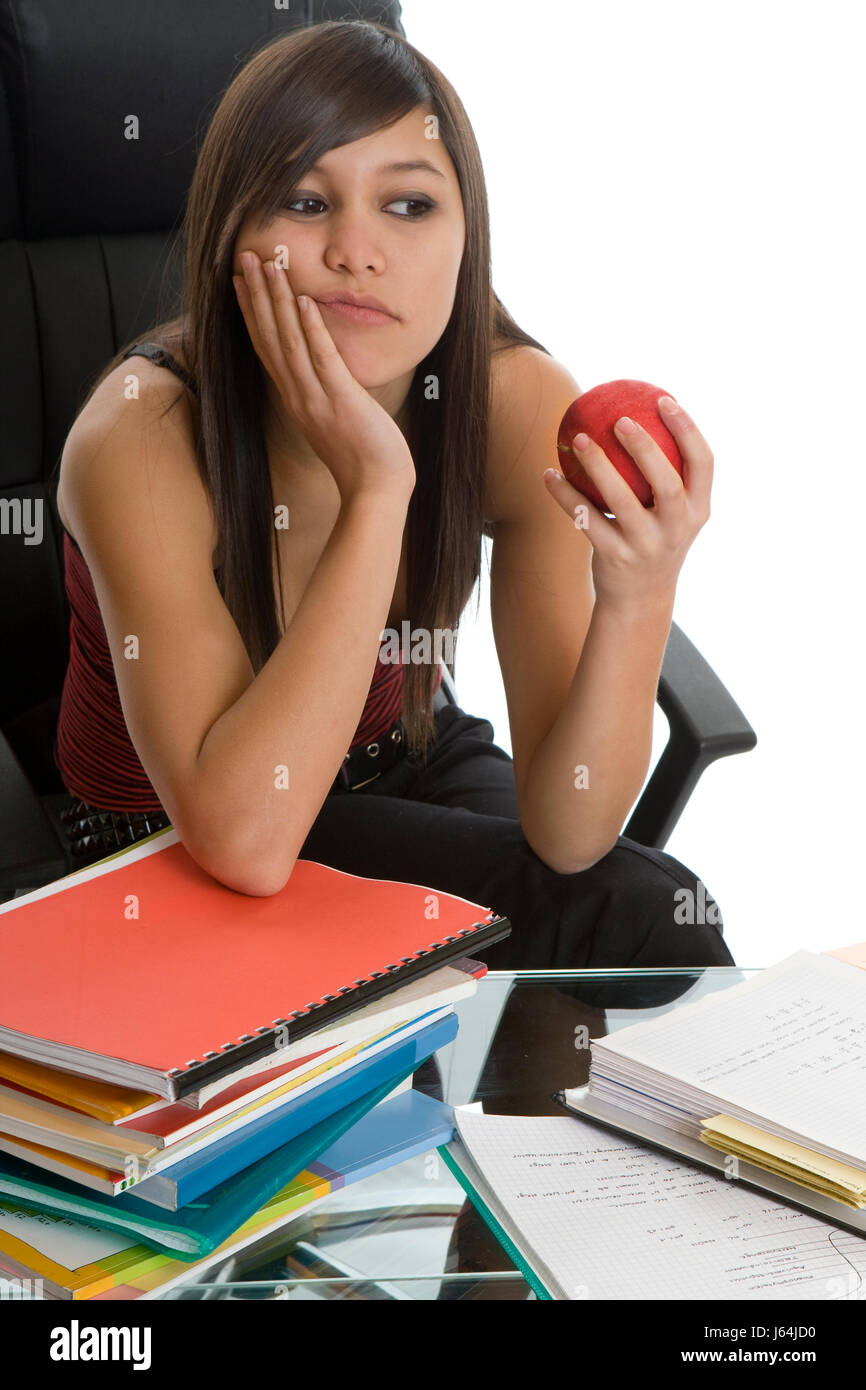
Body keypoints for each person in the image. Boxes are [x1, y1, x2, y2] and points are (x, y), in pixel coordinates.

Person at [50, 20, 732, 971]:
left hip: (400, 752)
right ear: (229, 239)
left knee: (644, 921)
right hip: (175, 829)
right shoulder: (139, 434)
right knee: (632, 915)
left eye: (409, 206)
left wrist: (641, 595)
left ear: (466, 239)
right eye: (302, 200)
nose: (356, 251)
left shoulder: (517, 403)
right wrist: (378, 485)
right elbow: (244, 841)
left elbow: (569, 829)